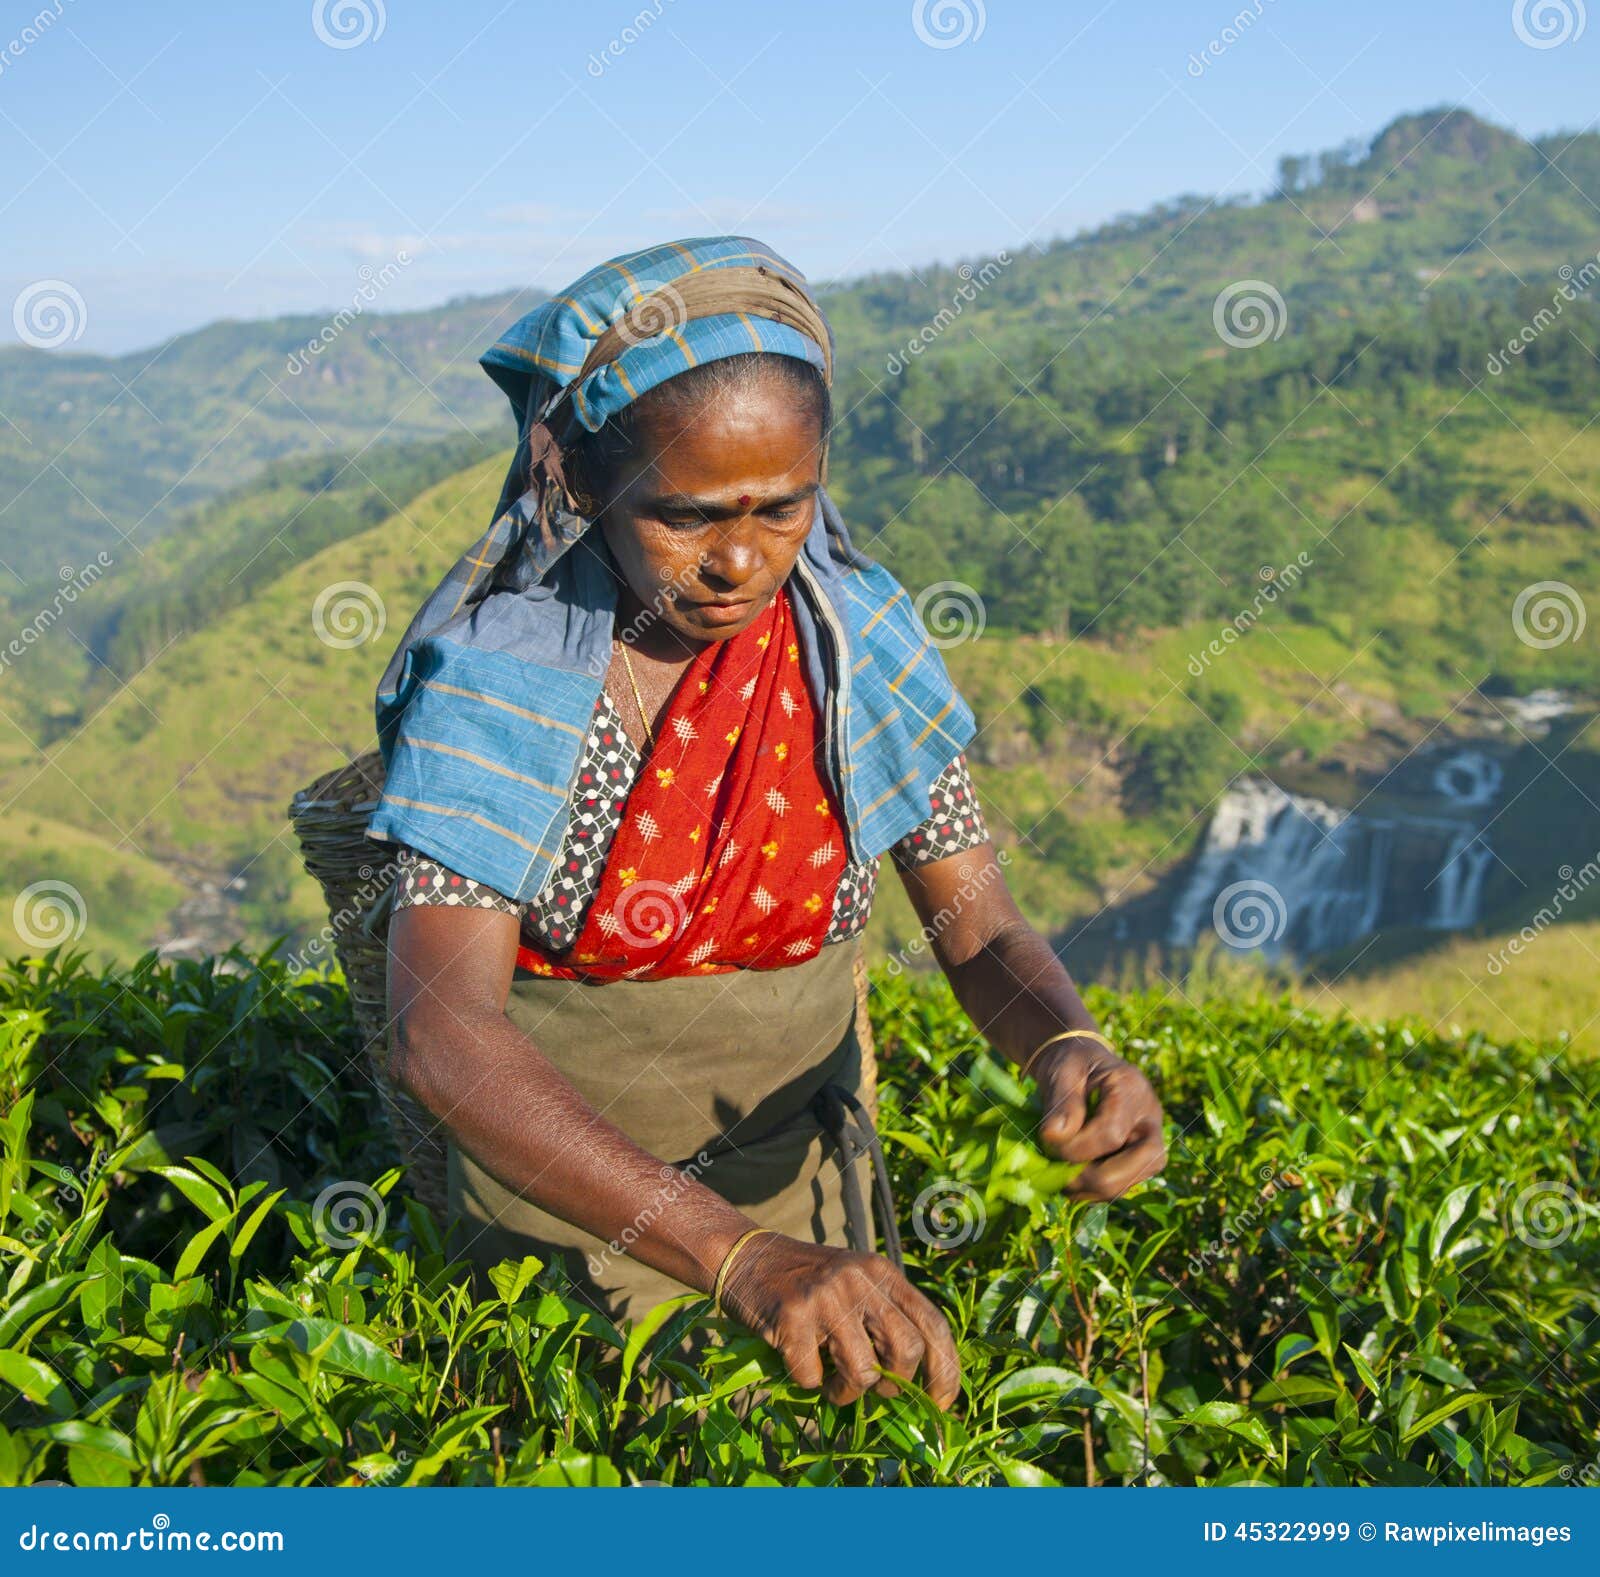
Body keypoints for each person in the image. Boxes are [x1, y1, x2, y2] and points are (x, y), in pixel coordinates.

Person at [373, 236, 1166, 1413]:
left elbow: (979, 926)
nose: (739, 559)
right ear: (587, 487)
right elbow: (439, 1033)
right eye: (687, 515)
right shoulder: (503, 683)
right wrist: (731, 1254)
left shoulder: (858, 650)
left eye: (781, 505)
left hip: (808, 1209)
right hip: (567, 1208)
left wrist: (1064, 1042)